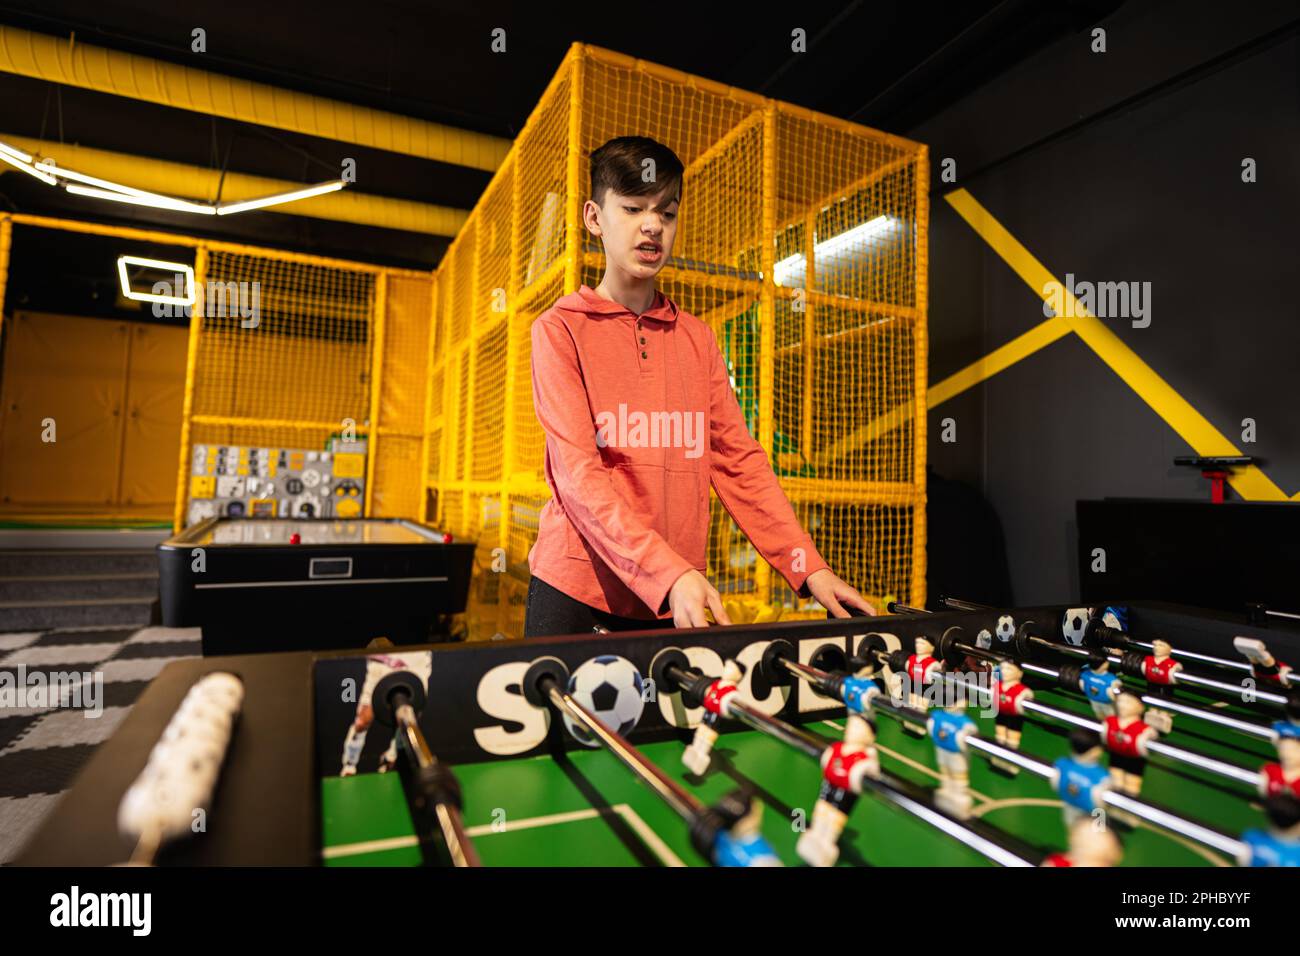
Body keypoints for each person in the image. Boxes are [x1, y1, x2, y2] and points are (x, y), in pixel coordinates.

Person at [524, 135, 872, 637]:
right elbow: (579, 477)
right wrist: (667, 572)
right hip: (579, 592)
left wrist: (806, 565)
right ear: (594, 218)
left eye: (667, 213)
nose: (652, 225)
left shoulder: (698, 339)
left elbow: (738, 461)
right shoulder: (560, 330)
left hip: (672, 597)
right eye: (632, 208)